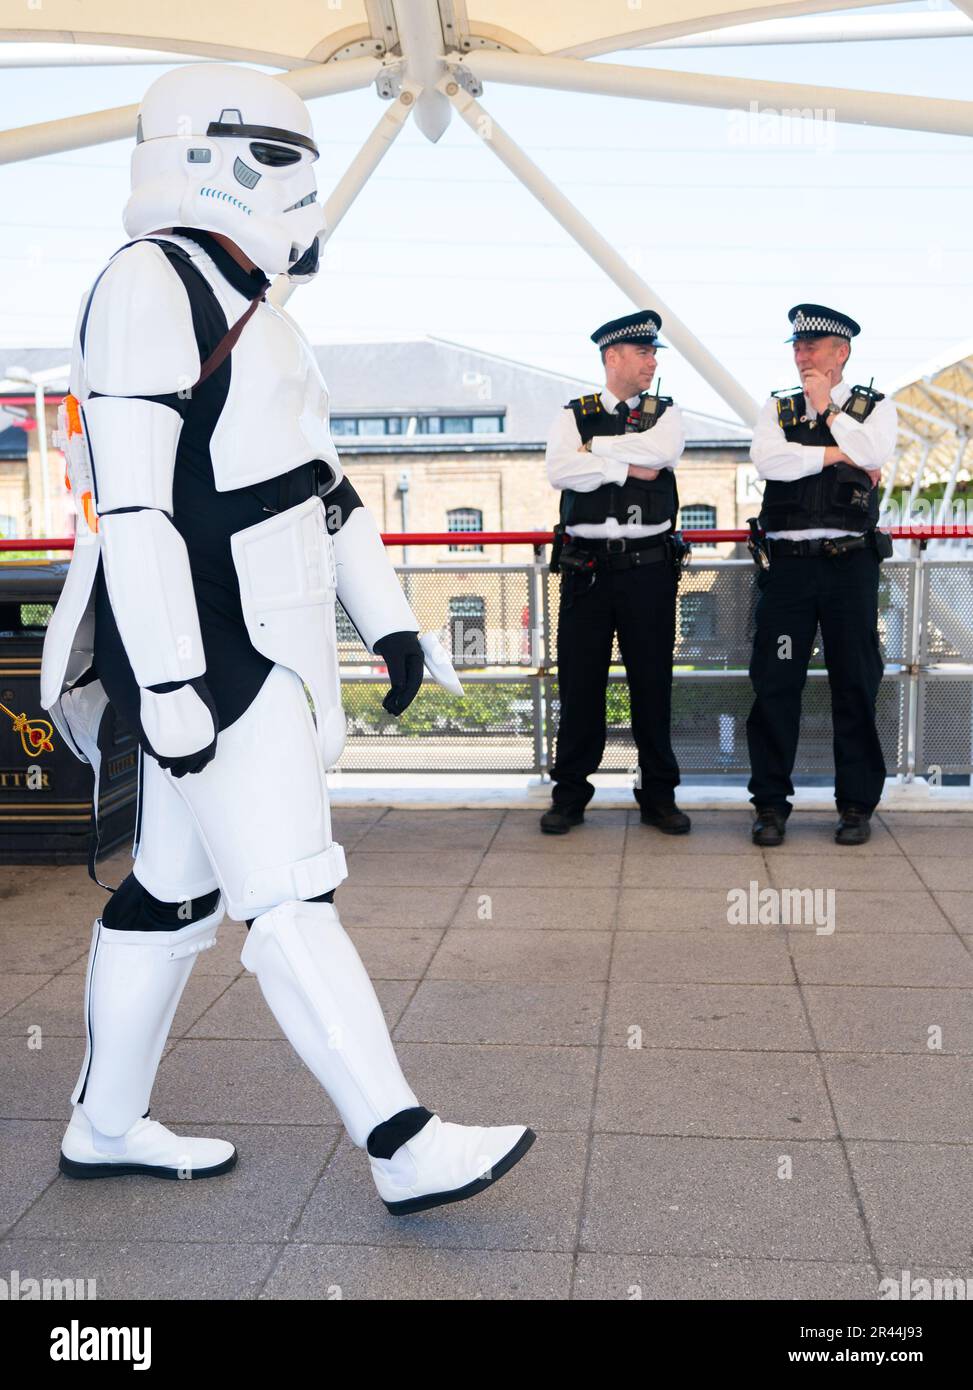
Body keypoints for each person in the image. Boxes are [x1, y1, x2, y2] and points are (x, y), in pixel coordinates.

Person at [40, 63, 534, 1214]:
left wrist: (394, 620)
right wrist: (168, 681)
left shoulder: (247, 305)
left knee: (168, 896)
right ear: (206, 156)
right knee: (290, 896)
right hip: (215, 654)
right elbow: (135, 509)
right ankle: (400, 1139)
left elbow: (322, 492)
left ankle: (106, 1121)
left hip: (252, 646)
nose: (299, 193)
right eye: (275, 160)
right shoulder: (149, 284)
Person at [746, 303, 897, 848]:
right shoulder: (776, 409)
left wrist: (827, 412)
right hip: (787, 572)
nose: (802, 355)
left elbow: (874, 451)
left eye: (813, 346)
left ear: (843, 352)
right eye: (797, 346)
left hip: (848, 568)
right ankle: (769, 805)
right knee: (775, 684)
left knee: (855, 684)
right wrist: (837, 455)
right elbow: (769, 462)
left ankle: (856, 805)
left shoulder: (874, 408)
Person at [540, 310, 690, 836]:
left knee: (653, 684)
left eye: (653, 353)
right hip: (587, 572)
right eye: (644, 353)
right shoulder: (572, 415)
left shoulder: (664, 415)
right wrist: (627, 466)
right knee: (580, 686)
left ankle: (659, 797)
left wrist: (596, 451)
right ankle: (570, 795)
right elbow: (559, 469)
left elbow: (663, 452)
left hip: (648, 570)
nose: (652, 362)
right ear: (613, 357)